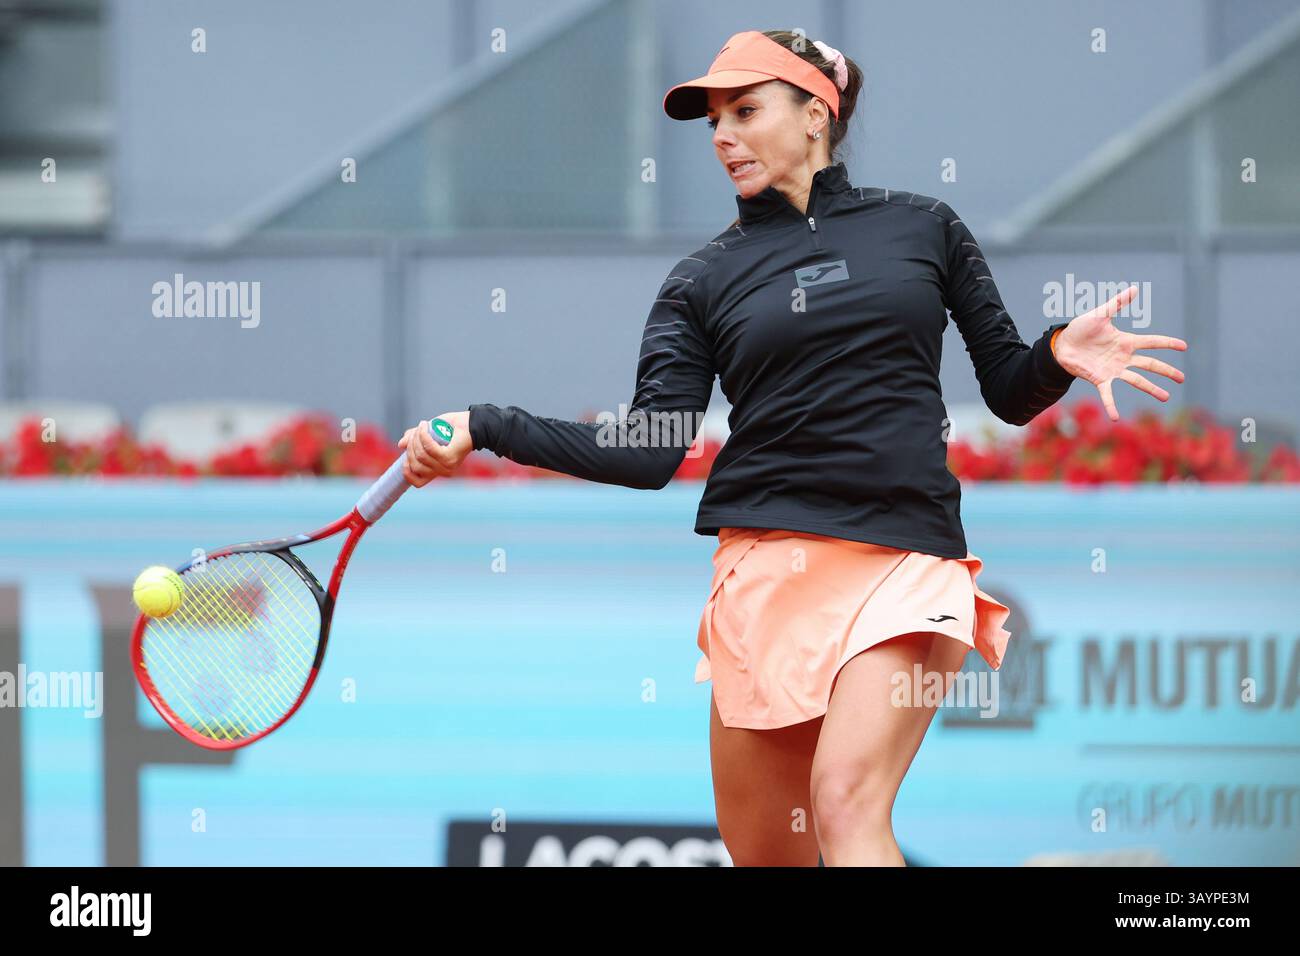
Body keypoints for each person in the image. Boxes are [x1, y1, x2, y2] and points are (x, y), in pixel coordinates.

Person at [397, 29, 1187, 866]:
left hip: (904, 562)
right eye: (712, 121)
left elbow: (1006, 387)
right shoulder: (700, 280)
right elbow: (649, 448)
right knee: (771, 856)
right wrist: (488, 424)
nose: (722, 136)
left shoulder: (925, 227)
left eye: (745, 110)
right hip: (767, 574)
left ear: (817, 112)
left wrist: (1057, 353)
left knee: (846, 806)